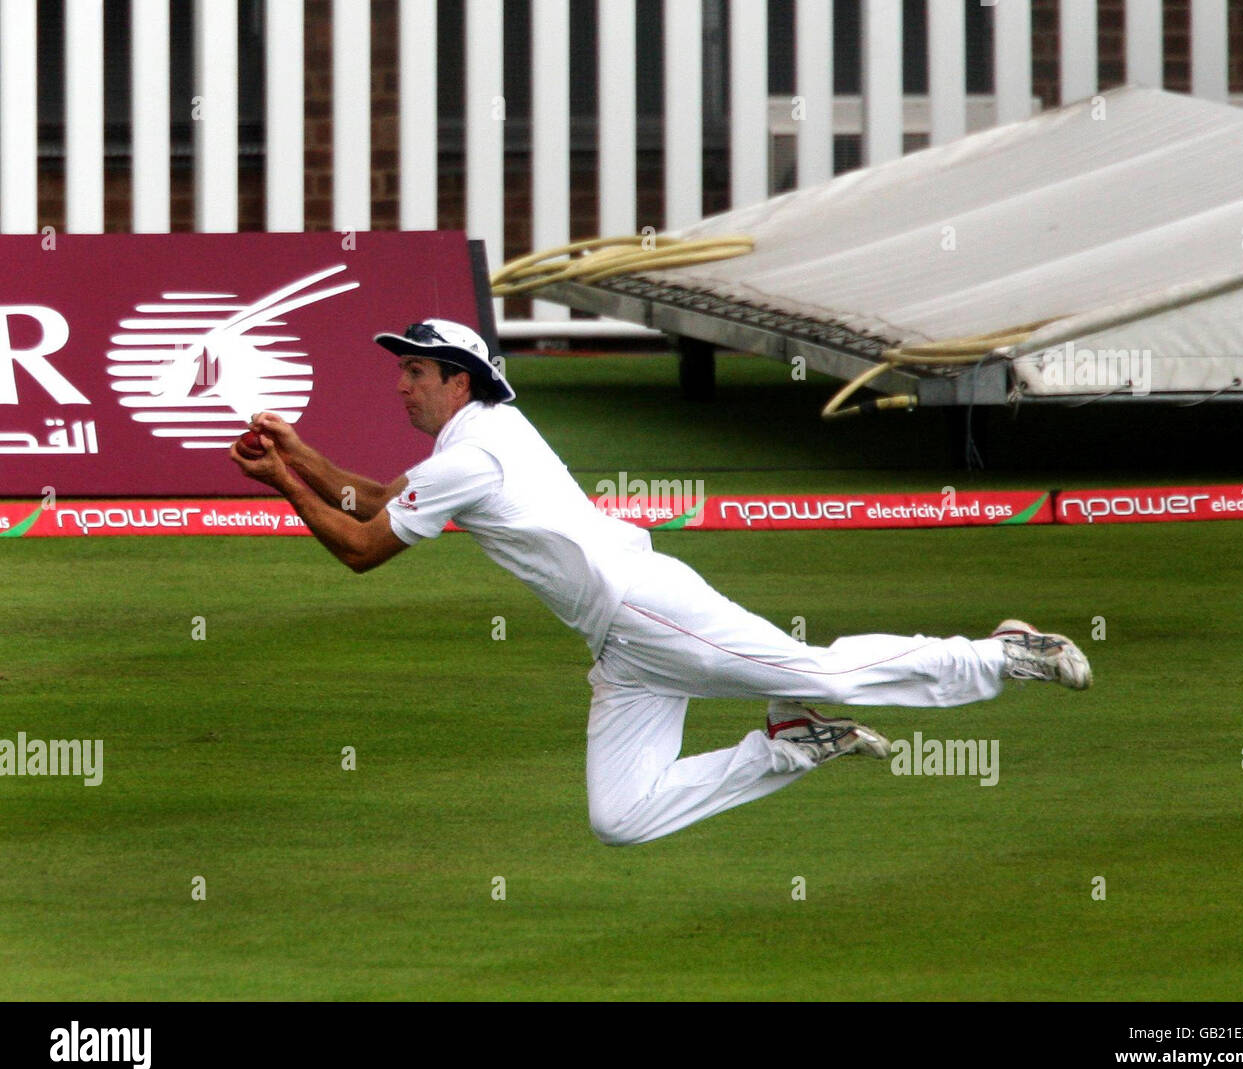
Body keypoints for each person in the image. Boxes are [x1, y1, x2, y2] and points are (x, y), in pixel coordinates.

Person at [231, 318, 1092, 846]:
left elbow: (360, 546)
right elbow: (379, 500)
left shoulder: (476, 450)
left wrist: (277, 481)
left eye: (415, 370)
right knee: (621, 817)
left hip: (645, 606)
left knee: (822, 669)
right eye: (401, 367)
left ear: (459, 380)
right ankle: (788, 744)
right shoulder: (474, 440)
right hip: (620, 646)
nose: (401, 383)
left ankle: (1001, 652)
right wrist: (296, 452)